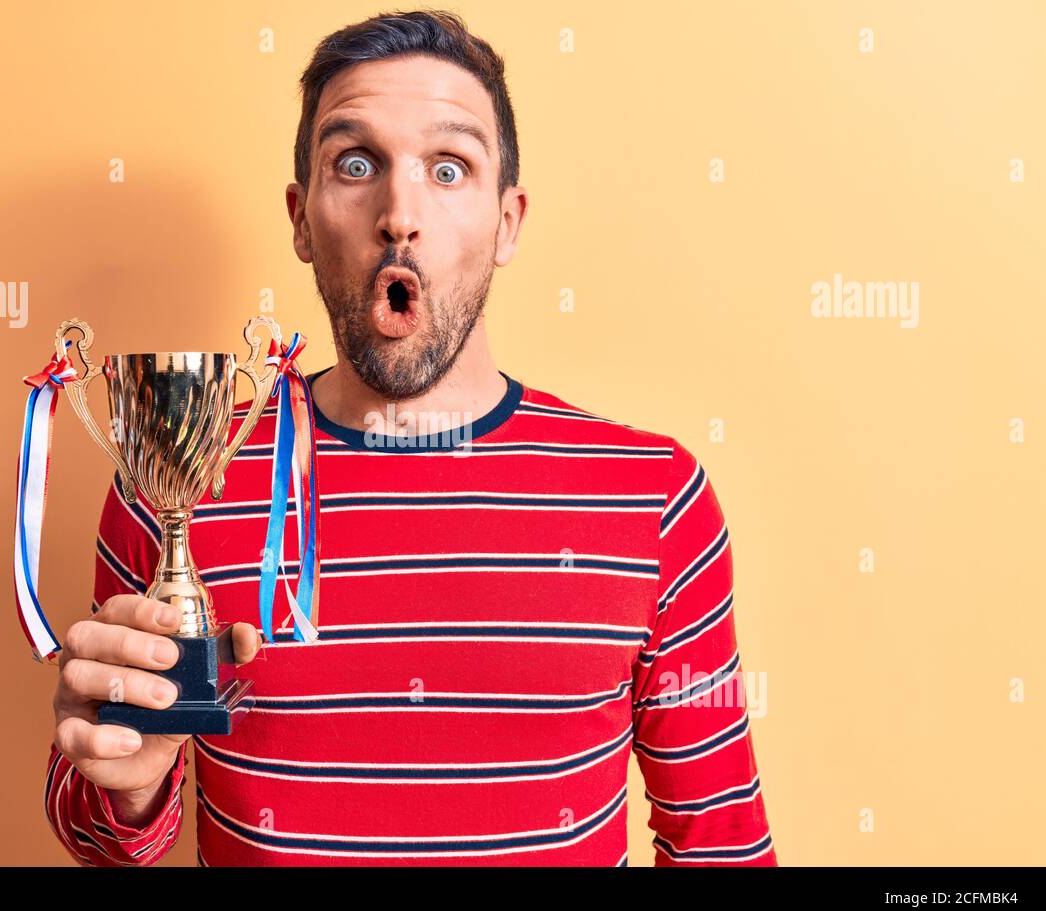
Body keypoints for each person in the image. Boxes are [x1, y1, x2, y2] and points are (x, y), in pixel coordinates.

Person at [45, 9, 776, 866]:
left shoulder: (653, 496)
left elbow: (721, 844)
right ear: (301, 220)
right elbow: (102, 840)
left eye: (449, 167)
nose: (400, 213)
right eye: (355, 164)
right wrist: (127, 787)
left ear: (508, 222)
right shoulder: (171, 474)